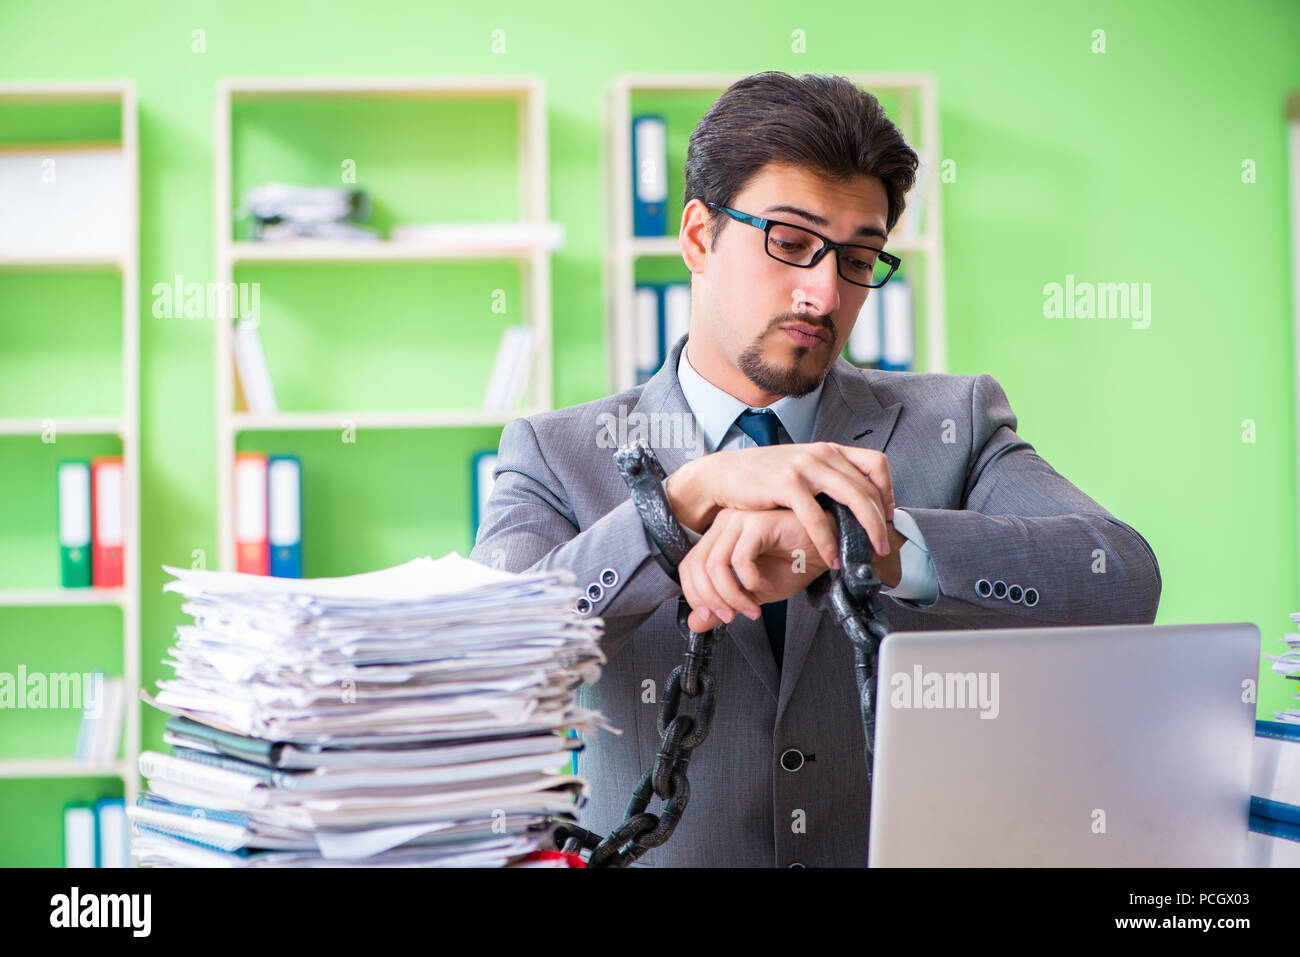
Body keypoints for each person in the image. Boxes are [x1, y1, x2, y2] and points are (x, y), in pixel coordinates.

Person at [470, 71, 1161, 867]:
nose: (824, 292)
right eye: (791, 243)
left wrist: (870, 541)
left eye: (859, 256)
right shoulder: (555, 453)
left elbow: (1122, 574)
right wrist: (679, 502)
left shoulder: (953, 423)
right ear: (698, 236)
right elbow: (487, 668)